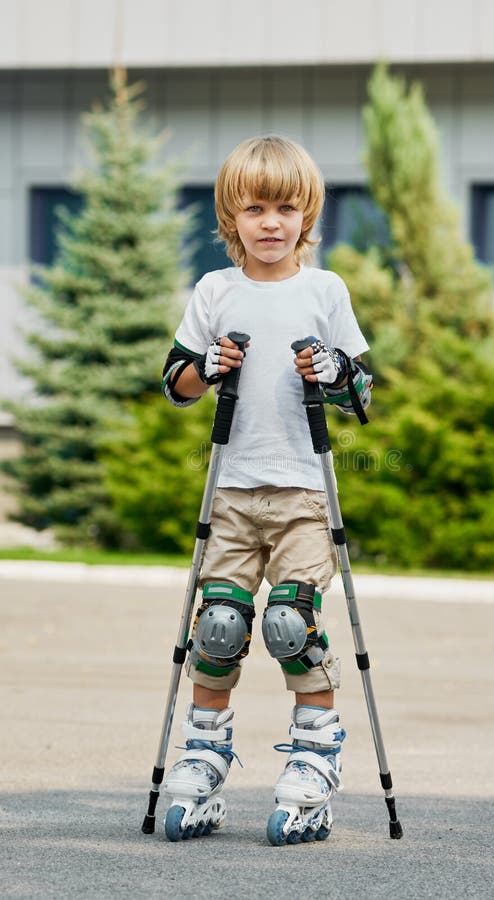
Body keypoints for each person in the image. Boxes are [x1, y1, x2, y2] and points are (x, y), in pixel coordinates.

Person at [160, 135, 372, 844]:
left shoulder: (325, 290)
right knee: (217, 625)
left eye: (286, 207)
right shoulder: (215, 291)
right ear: (231, 215)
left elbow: (361, 390)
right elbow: (177, 384)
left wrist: (334, 371)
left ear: (307, 213)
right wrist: (211, 367)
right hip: (234, 491)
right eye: (255, 208)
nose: (271, 222)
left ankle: (314, 759)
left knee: (290, 622)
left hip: (305, 491)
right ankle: (202, 754)